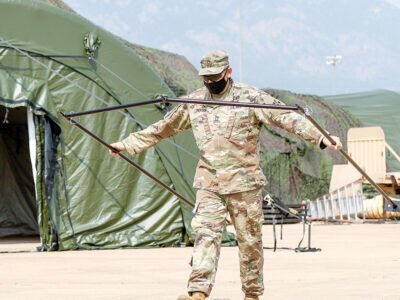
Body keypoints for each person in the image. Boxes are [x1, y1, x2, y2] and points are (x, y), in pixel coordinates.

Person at [109, 50, 342, 300]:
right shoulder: (195, 102)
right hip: (210, 182)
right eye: (205, 77)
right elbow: (162, 128)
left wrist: (320, 136)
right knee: (206, 234)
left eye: (215, 76)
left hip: (245, 185)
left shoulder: (249, 98)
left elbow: (285, 116)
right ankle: (198, 291)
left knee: (249, 243)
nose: (210, 82)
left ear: (228, 72)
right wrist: (128, 144)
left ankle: (252, 294)